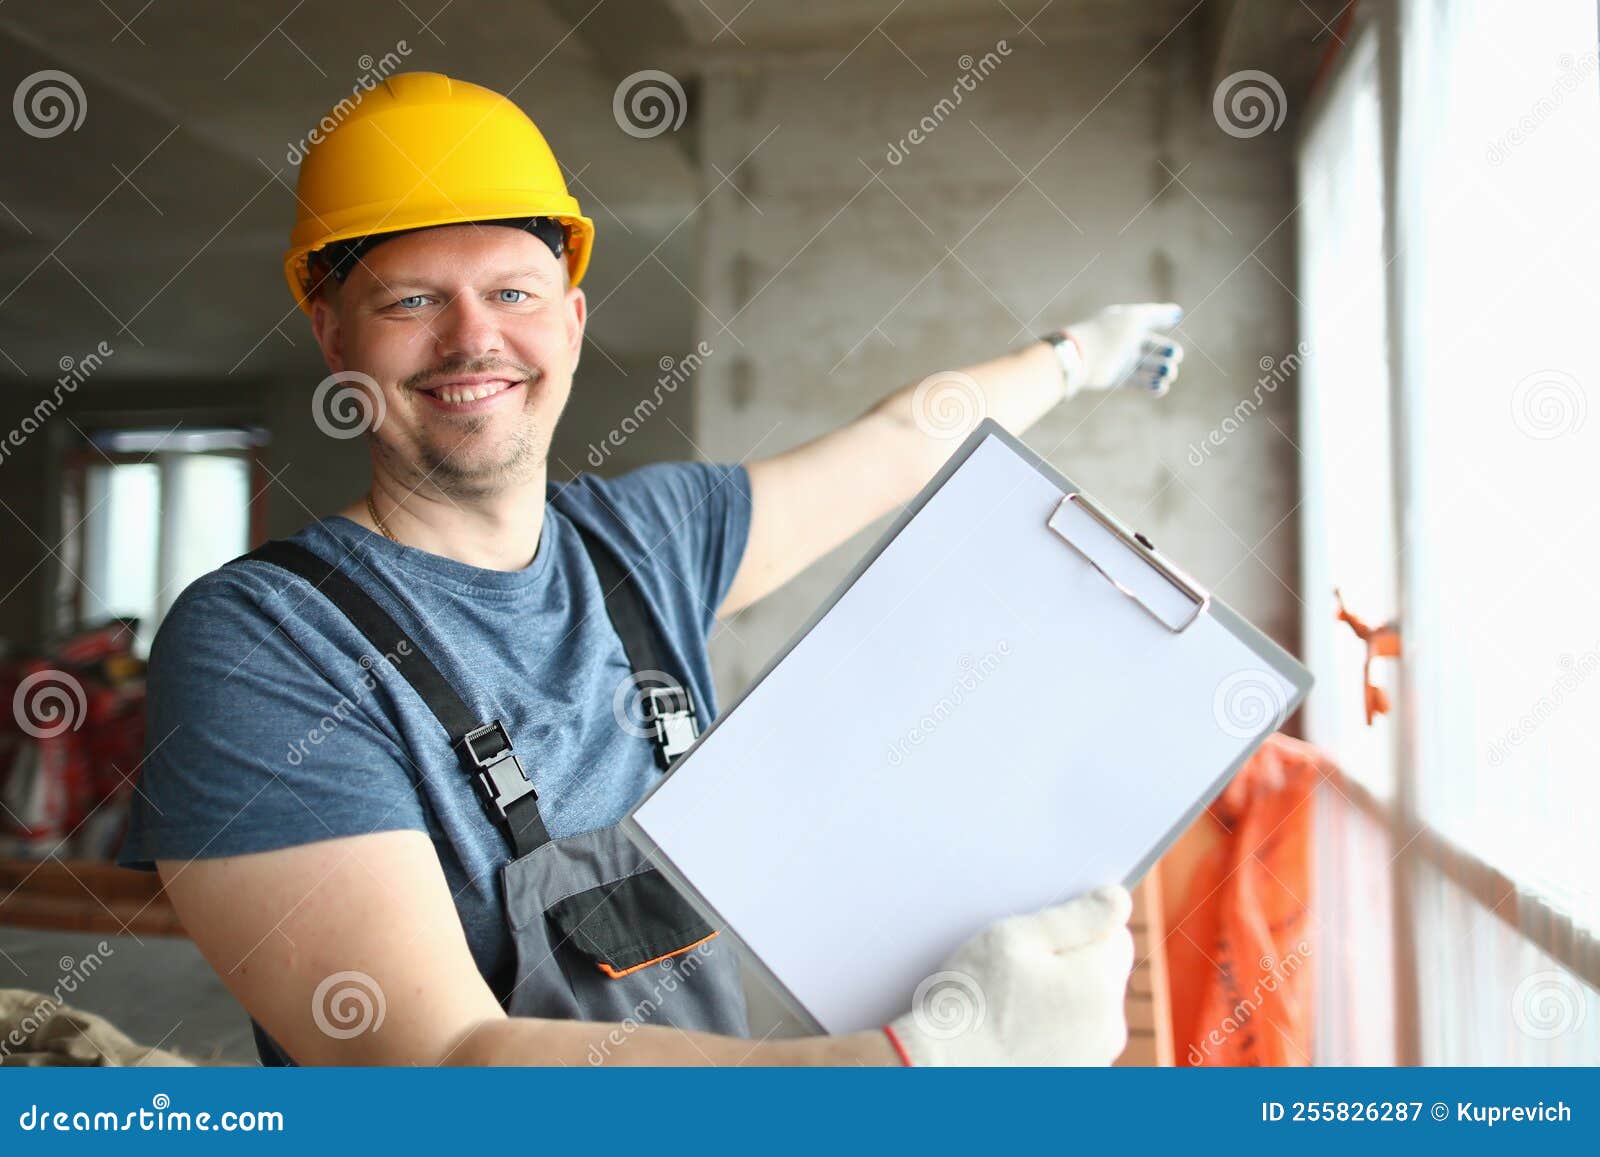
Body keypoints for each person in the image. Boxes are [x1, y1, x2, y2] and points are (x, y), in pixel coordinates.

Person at [116, 71, 1183, 1067]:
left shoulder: (649, 543)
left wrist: (1077, 355)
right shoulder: (259, 645)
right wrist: (903, 1069)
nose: (471, 339)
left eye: (514, 293)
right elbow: (443, 1062)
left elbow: (908, 435)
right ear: (331, 331)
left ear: (572, 323)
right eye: (410, 302)